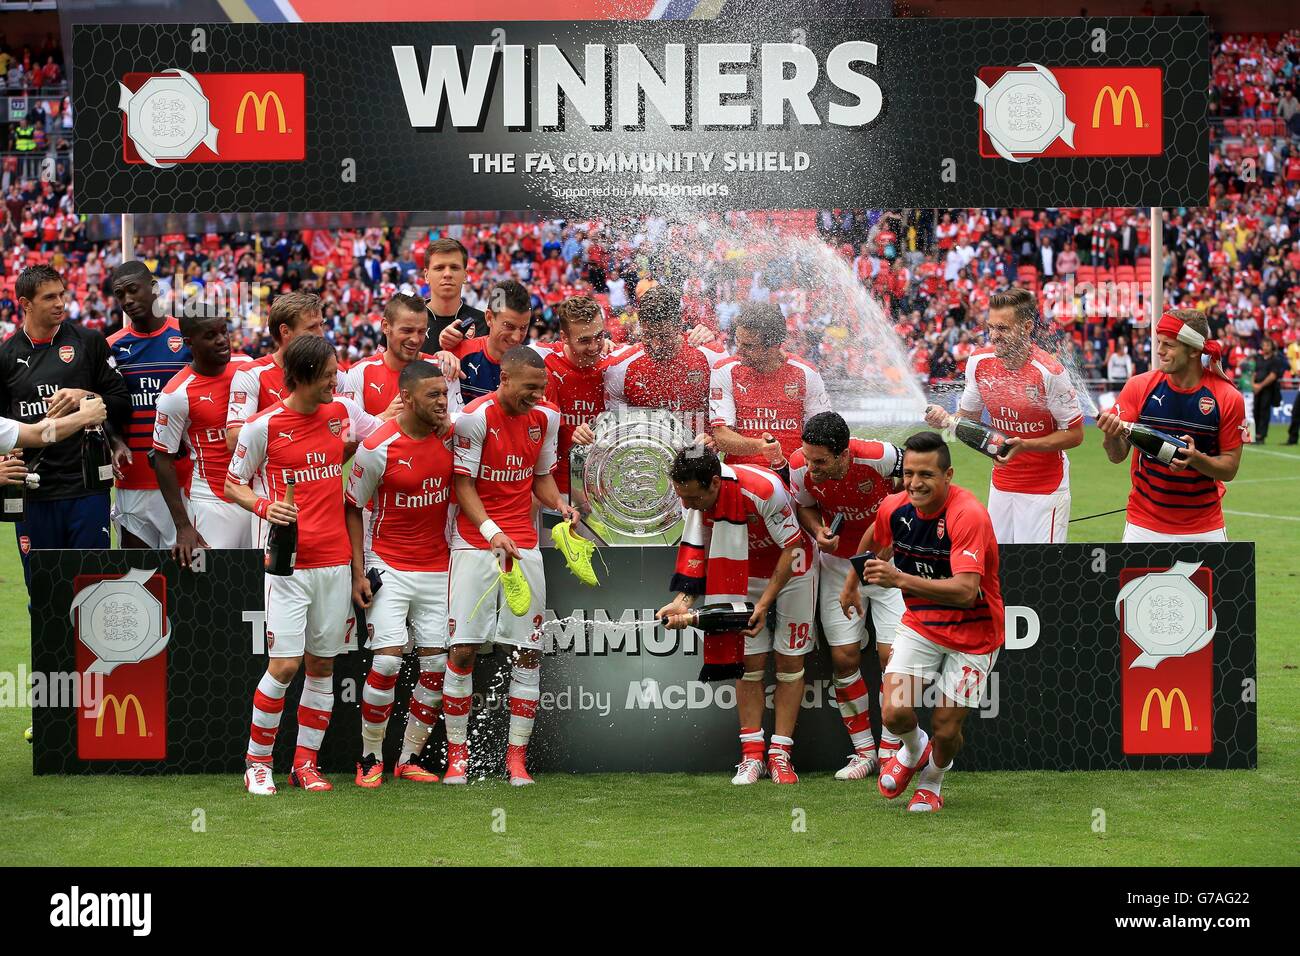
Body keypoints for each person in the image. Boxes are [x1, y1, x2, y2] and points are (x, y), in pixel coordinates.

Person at [225, 335, 380, 795]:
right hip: (288, 565)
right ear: (305, 375)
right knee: (285, 666)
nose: (337, 381)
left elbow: (375, 436)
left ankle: (305, 764)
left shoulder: (342, 412)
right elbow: (232, 483)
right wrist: (263, 506)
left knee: (322, 666)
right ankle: (257, 764)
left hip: (335, 561)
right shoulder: (263, 426)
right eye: (330, 374)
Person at [839, 431, 1004, 813]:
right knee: (894, 712)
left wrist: (899, 579)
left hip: (975, 634)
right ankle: (914, 748)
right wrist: (851, 583)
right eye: (910, 473)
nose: (915, 483)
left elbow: (965, 591)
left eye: (926, 474)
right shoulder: (894, 506)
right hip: (921, 624)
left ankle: (932, 781)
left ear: (948, 475)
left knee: (946, 728)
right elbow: (876, 537)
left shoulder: (968, 514)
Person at [446, 346, 578, 786]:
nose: (537, 396)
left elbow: (540, 477)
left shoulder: (547, 417)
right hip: (474, 545)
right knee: (463, 650)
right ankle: (458, 757)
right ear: (504, 379)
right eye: (530, 388)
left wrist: (560, 505)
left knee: (527, 651)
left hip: (524, 546)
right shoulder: (474, 418)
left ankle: (515, 760)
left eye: (542, 388)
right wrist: (490, 533)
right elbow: (463, 485)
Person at [658, 445, 815, 786]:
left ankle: (780, 755)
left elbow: (793, 547)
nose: (687, 505)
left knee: (789, 664)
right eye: (682, 497)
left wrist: (764, 604)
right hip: (742, 577)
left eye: (693, 498)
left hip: (793, 572)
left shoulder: (763, 490)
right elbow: (699, 554)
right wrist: (682, 601)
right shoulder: (692, 501)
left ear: (715, 483)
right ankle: (752, 756)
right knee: (749, 665)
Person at [345, 361, 456, 787]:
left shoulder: (452, 435)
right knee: (388, 660)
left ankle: (408, 758)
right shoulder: (377, 446)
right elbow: (352, 506)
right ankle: (370, 756)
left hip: (438, 566)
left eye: (444, 393)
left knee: (437, 665)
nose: (443, 402)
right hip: (387, 564)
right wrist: (359, 572)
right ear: (406, 398)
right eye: (433, 395)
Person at [788, 411, 906, 780]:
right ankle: (864, 753)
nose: (812, 467)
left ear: (844, 454)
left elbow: (916, 480)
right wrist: (817, 530)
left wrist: (895, 523)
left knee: (894, 658)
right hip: (838, 565)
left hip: (887, 562)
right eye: (809, 458)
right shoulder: (799, 465)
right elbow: (804, 506)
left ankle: (891, 751)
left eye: (821, 461)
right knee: (844, 658)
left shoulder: (880, 455)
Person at [0, 265, 130, 588]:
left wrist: (85, 395)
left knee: (92, 590)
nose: (60, 303)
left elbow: (121, 403)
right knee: (44, 595)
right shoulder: (6, 356)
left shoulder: (89, 342)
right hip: (34, 493)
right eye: (49, 297)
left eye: (62, 294)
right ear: (25, 304)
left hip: (86, 489)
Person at [925, 287, 1084, 543]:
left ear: (1027, 327)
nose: (994, 336)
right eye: (991, 327)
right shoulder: (979, 362)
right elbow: (969, 420)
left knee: (1038, 567)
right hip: (1001, 483)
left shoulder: (1050, 372)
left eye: (1003, 328)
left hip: (1045, 488)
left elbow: (1075, 435)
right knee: (999, 563)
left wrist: (1026, 445)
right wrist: (945, 420)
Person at [1096, 309, 1245, 542]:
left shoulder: (1228, 397)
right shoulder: (1138, 386)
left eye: (1169, 345)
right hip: (1143, 525)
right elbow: (1116, 456)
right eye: (1159, 342)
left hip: (1204, 528)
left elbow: (1229, 469)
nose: (1159, 350)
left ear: (1194, 350)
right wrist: (1111, 436)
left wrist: (1195, 458)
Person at [226, 291, 347, 546]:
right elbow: (234, 439)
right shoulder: (252, 374)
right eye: (311, 327)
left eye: (322, 325)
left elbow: (346, 432)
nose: (321, 334)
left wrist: (315, 460)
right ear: (285, 331)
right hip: (268, 499)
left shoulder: (335, 374)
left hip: (320, 503)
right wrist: (283, 425)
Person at [151, 305, 254, 563]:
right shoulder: (175, 394)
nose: (222, 340)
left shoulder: (247, 367)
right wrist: (183, 526)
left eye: (224, 331)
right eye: (210, 335)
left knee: (260, 585)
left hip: (256, 498)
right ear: (189, 343)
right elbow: (162, 461)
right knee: (216, 584)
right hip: (212, 503)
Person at [107, 260, 194, 548]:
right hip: (133, 480)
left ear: (154, 288)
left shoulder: (186, 335)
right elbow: (105, 407)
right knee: (138, 571)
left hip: (185, 480)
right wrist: (114, 440)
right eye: (120, 294)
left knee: (187, 571)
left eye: (133, 290)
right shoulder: (112, 346)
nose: (127, 300)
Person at [710, 303, 832, 467]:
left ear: (774, 346)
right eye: (738, 342)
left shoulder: (806, 373)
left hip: (792, 473)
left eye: (748, 346)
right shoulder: (725, 370)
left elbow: (825, 433)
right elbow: (722, 437)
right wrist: (761, 446)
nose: (739, 351)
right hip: (743, 473)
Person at [603, 285, 728, 437]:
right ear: (640, 327)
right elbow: (617, 431)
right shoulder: (619, 366)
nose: (656, 345)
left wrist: (715, 440)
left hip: (699, 450)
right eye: (648, 335)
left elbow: (728, 417)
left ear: (679, 326)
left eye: (664, 336)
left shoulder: (711, 356)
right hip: (649, 450)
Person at [534, 295, 608, 499]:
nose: (594, 346)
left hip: (603, 487)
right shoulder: (542, 357)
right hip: (556, 487)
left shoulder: (614, 361)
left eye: (599, 336)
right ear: (564, 337)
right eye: (584, 340)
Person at [342, 293, 463, 416]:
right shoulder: (360, 372)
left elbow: (457, 423)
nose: (415, 339)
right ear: (385, 326)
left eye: (421, 331)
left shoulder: (443, 369)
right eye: (407, 331)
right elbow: (350, 427)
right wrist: (383, 419)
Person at [441, 279, 533, 406]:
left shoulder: (532, 368)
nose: (516, 338)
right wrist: (440, 355)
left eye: (523, 328)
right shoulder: (458, 354)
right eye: (509, 326)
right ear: (489, 318)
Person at [425, 237, 487, 353]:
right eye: (439, 268)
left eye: (454, 268)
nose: (447, 274)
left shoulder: (483, 323)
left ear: (465, 276)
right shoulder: (408, 322)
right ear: (426, 275)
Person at [1251, 337, 1286, 442]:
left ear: (1272, 347)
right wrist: (1253, 384)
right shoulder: (1259, 358)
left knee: (1264, 411)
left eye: (1268, 345)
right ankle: (1255, 433)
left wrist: (1260, 386)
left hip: (1268, 389)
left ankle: (1261, 436)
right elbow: (1254, 372)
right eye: (1264, 345)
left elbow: (1273, 376)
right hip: (1257, 389)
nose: (1265, 347)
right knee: (1255, 411)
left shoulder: (1275, 360)